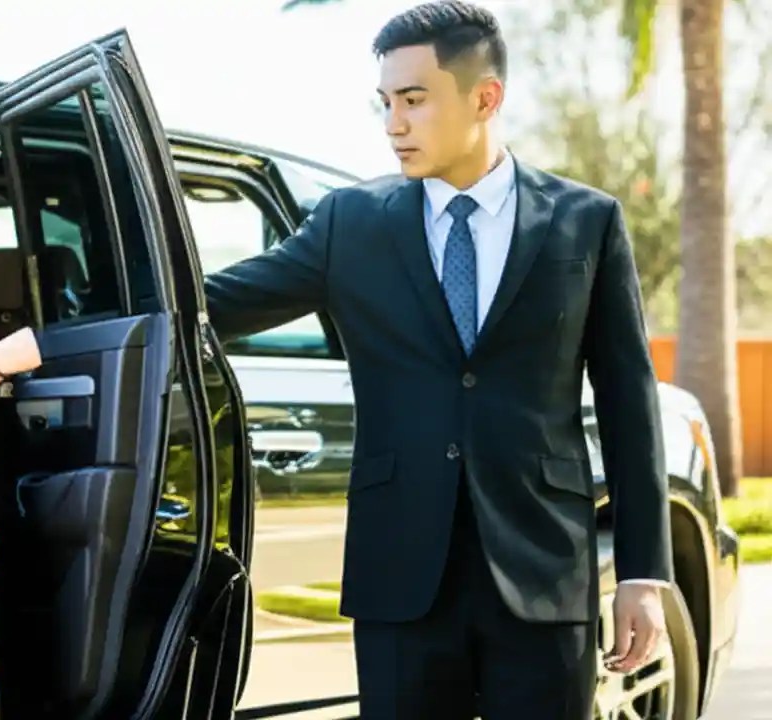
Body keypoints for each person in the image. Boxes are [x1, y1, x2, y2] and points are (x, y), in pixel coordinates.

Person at [203, 2, 671, 717]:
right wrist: (49, 340)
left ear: (485, 97)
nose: (394, 123)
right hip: (401, 577)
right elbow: (213, 304)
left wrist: (643, 573)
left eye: (414, 100)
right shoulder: (348, 225)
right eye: (385, 102)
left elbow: (628, 403)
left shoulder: (586, 221)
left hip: (543, 576)